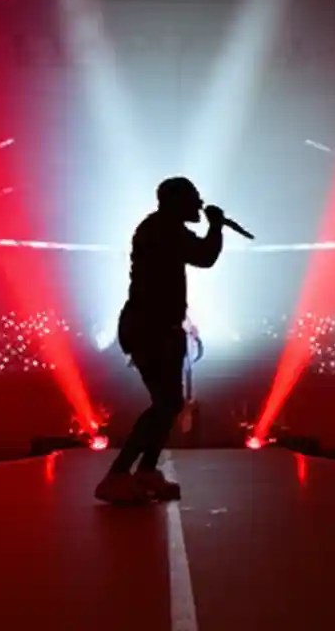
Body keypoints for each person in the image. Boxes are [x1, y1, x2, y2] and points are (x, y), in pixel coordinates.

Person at [95, 177, 224, 504]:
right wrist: (216, 226)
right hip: (151, 329)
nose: (199, 205)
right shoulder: (164, 229)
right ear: (177, 201)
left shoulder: (160, 227)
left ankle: (145, 471)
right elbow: (205, 256)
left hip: (152, 327)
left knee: (168, 404)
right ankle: (119, 474)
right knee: (166, 404)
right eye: (194, 199)